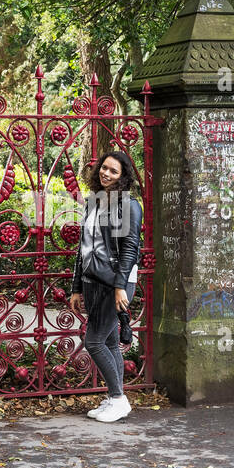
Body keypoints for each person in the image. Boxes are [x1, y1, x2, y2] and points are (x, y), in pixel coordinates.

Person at [68, 150, 143, 422]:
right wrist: (76, 286)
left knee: (94, 340)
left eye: (114, 171)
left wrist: (120, 286)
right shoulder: (95, 201)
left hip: (116, 283)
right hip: (92, 280)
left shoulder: (128, 205)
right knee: (110, 341)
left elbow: (130, 248)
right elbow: (84, 247)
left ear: (123, 177)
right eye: (104, 168)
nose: (106, 173)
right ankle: (115, 397)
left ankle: (118, 399)